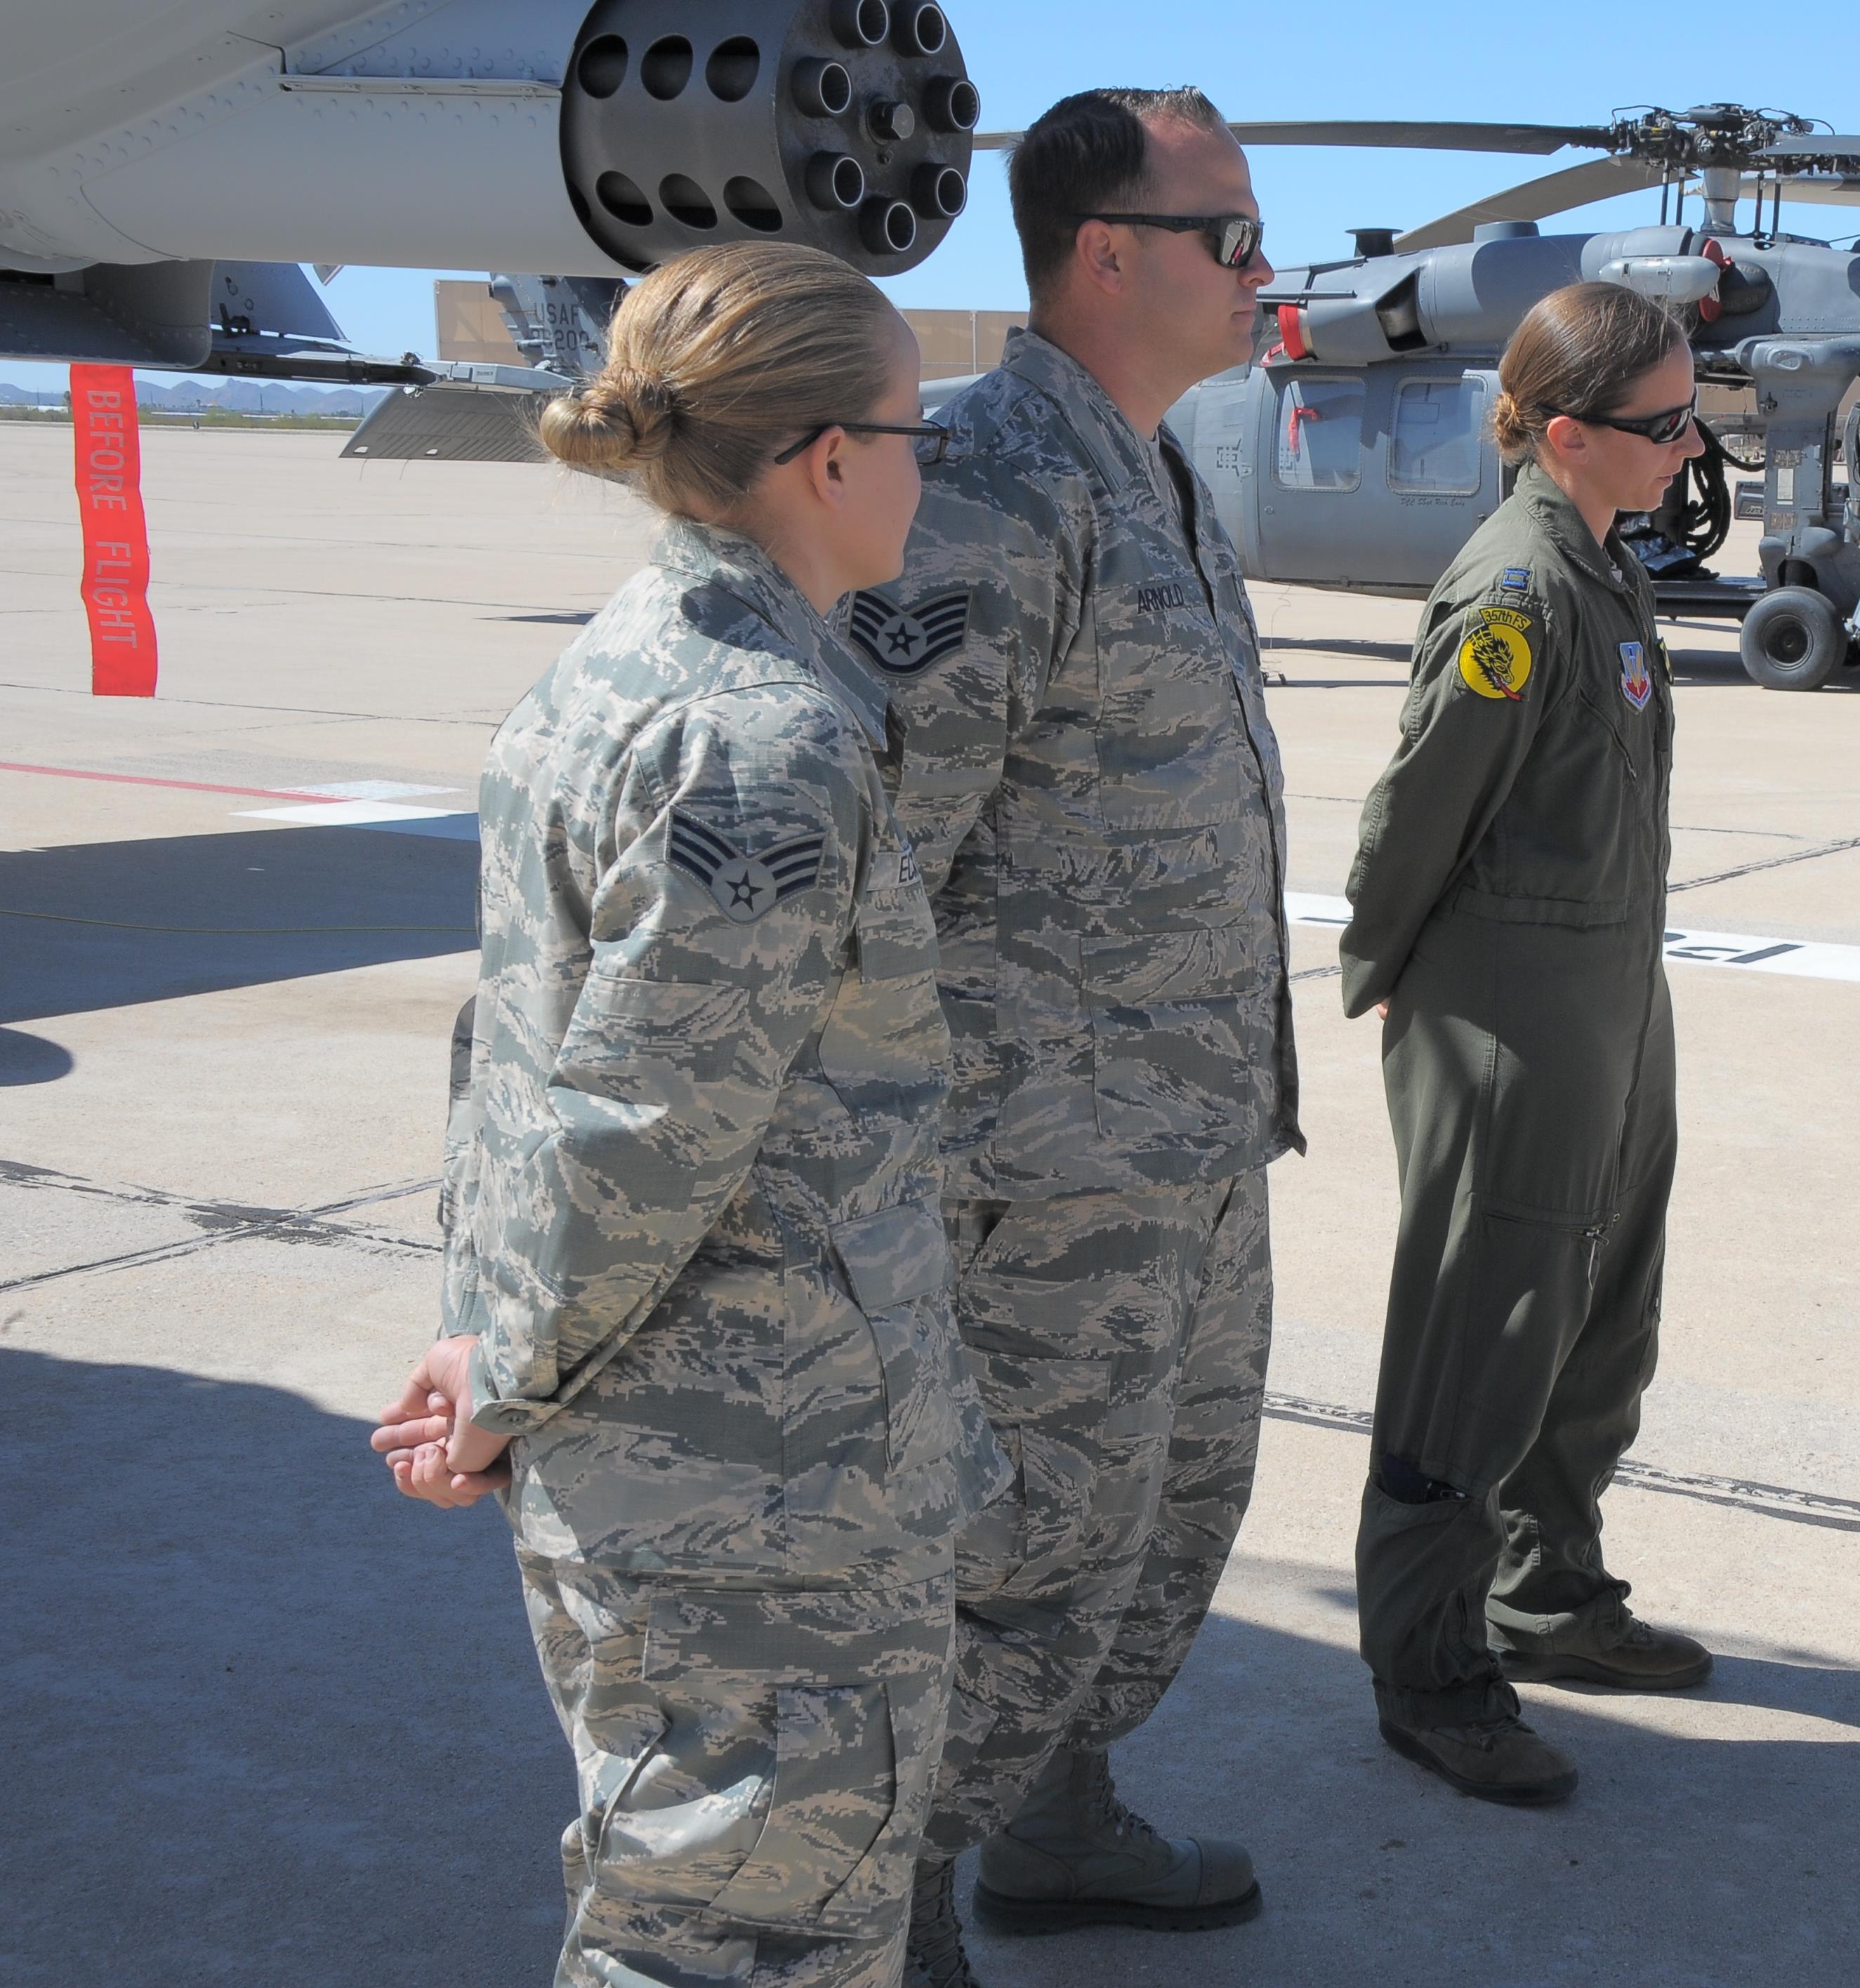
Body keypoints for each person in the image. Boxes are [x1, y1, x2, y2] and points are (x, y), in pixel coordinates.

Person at [367, 242, 1005, 1988]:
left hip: (658, 1464)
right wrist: (496, 1370)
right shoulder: (759, 735)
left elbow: (520, 1069)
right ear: (825, 458)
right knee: (739, 1943)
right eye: (911, 424)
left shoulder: (623, 672)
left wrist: (480, 1337)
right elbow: (640, 1128)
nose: (926, 463)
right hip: (757, 1494)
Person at [847, 88, 1294, 1977]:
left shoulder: (1162, 471)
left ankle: (1057, 1817)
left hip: (1188, 1152)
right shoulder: (988, 490)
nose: (1266, 273)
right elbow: (878, 865)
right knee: (1007, 1568)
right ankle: (903, 1897)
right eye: (1234, 237)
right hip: (1037, 1179)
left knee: (1162, 1533)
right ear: (1107, 254)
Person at [1339, 281, 1710, 1806]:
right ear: (1568, 432)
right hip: (1510, 1014)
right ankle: (1428, 1669)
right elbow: (1421, 810)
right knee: (1475, 1341)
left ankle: (1545, 1592)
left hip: (1609, 998)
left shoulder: (1603, 568)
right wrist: (1380, 972)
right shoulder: (1517, 595)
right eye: (1665, 422)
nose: (1693, 445)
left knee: (1599, 1318)